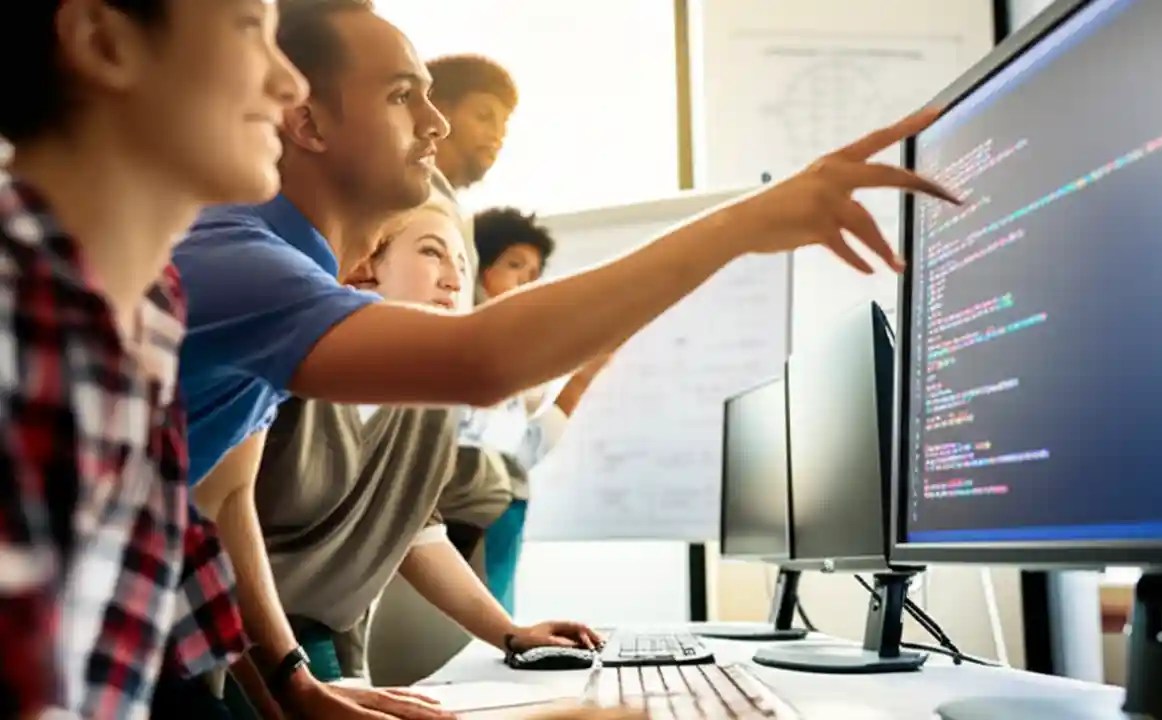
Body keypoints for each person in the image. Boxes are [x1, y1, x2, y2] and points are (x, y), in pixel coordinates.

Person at [173, 1, 958, 717]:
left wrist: (291, 683)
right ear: (307, 123)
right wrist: (745, 222)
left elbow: (224, 498)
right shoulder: (236, 256)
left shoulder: (273, 268)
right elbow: (482, 361)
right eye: (402, 95)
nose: (436, 123)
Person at [0, 0, 306, 717]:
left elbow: (153, 615)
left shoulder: (153, 305)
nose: (291, 84)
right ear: (105, 43)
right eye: (248, 28)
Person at [249, 202, 598, 693]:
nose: (455, 281)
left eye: (461, 262)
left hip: (320, 639)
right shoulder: (292, 370)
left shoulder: (427, 401)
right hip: (230, 639)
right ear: (366, 267)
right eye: (433, 253)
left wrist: (511, 633)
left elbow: (419, 532)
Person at [456, 207, 612, 613]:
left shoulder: (504, 365)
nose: (527, 281)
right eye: (514, 266)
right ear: (476, 266)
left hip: (499, 528)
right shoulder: (459, 355)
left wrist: (583, 377)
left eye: (534, 273)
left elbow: (521, 452)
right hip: (466, 536)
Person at [424, 53, 524, 564]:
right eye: (484, 115)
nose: (498, 134)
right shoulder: (415, 203)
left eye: (505, 123)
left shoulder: (454, 213)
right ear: (433, 109)